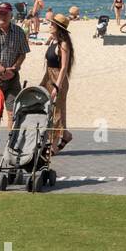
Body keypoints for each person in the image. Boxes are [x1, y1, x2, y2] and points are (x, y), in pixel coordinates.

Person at [40, 13, 75, 155]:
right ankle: (65, 135)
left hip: (58, 79)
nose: (50, 26)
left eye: (52, 24)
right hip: (48, 77)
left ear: (58, 28)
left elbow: (64, 68)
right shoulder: (53, 41)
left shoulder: (64, 43)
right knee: (50, 110)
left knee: (56, 112)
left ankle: (53, 146)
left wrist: (56, 86)